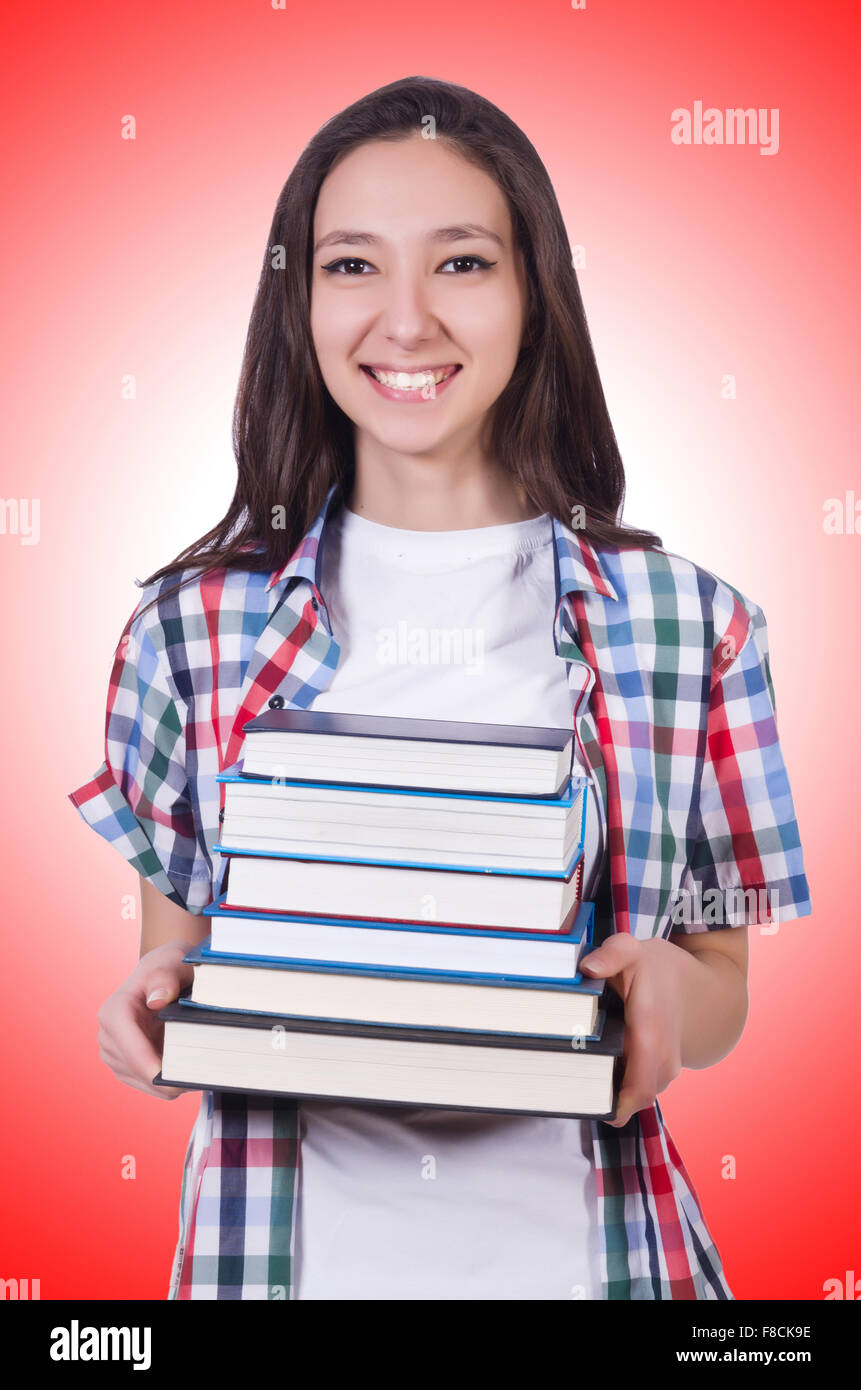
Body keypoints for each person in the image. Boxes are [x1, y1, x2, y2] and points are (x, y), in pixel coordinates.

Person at [68, 76, 812, 1300]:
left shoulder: (692, 626)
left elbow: (721, 986)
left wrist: (675, 991)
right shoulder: (186, 632)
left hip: (597, 1265)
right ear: (298, 298)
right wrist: (149, 1017)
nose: (404, 321)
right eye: (351, 266)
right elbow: (185, 966)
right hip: (284, 1267)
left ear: (535, 294)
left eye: (461, 264)